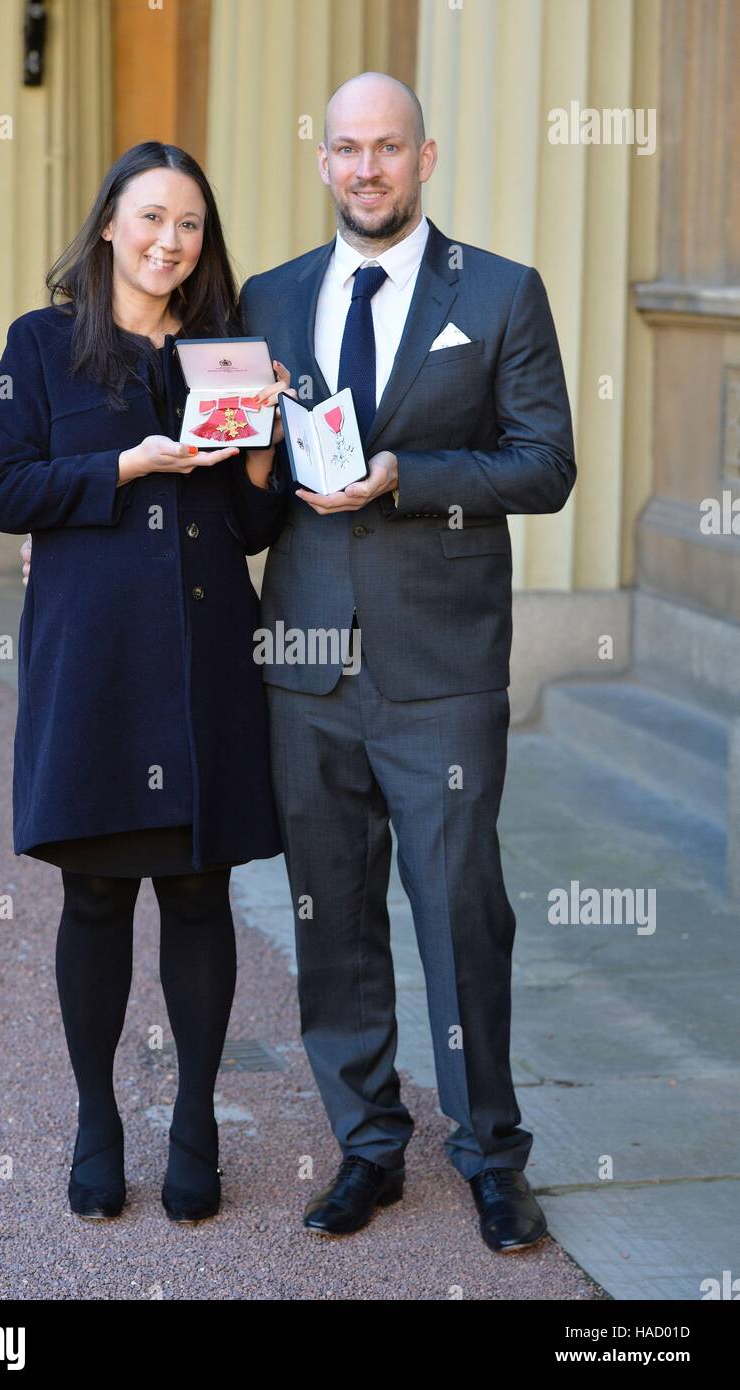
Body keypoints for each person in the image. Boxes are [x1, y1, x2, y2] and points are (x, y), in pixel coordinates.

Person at [235, 71, 577, 1251]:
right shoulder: (266, 297)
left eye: (387, 148)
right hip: (304, 655)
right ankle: (365, 1144)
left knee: (458, 911)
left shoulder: (496, 291)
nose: (365, 169)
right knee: (329, 913)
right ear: (321, 160)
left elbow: (543, 464)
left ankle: (490, 1152)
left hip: (440, 666)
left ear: (423, 161)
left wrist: (408, 478)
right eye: (345, 149)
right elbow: (247, 486)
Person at [0, 141, 290, 1223]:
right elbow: (6, 490)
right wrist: (124, 465)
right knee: (96, 891)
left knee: (201, 893)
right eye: (151, 217)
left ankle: (195, 1121)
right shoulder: (42, 346)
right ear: (109, 222)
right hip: (96, 666)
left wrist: (262, 447)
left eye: (190, 224)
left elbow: (251, 527)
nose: (170, 240)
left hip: (205, 660)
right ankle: (96, 1120)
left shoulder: (224, 354)